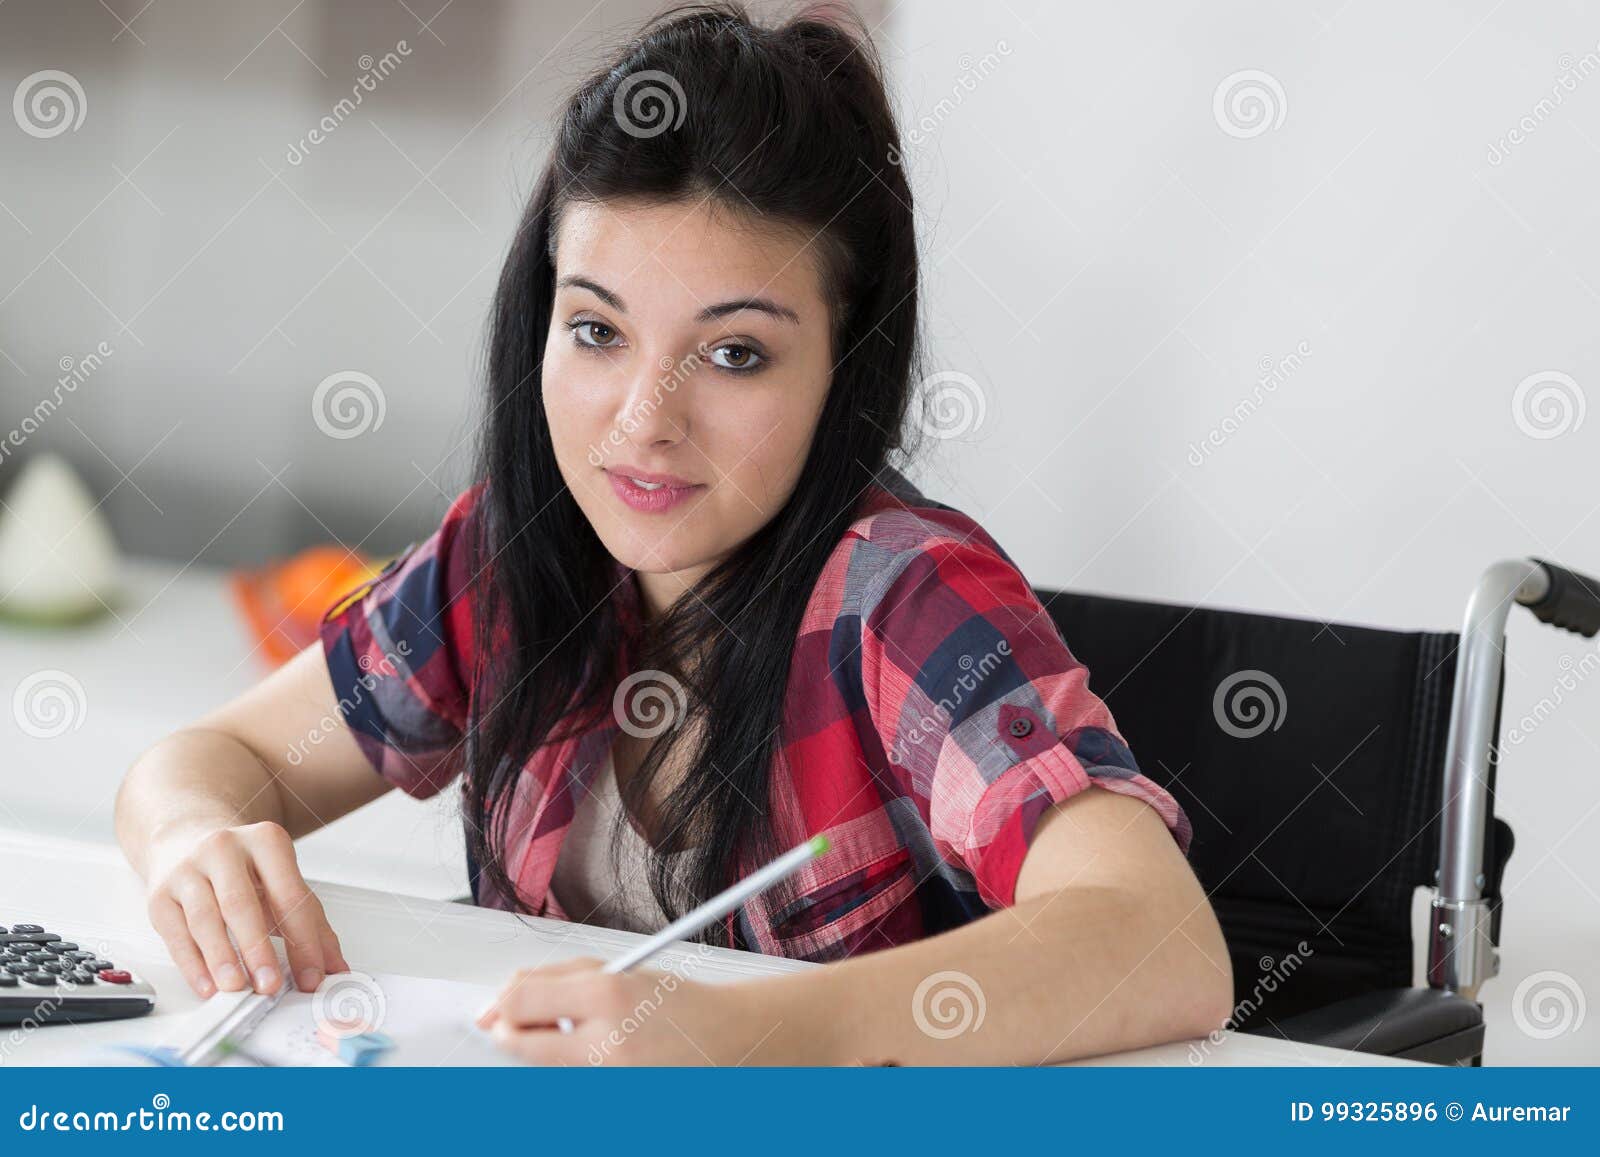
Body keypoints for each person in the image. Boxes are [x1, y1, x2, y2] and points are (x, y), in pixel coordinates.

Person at [115, 2, 1231, 1066]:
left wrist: (763, 1033)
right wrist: (191, 838)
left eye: (735, 352)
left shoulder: (903, 597)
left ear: (846, 367)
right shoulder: (513, 554)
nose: (644, 422)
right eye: (596, 329)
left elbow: (1159, 941)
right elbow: (221, 759)